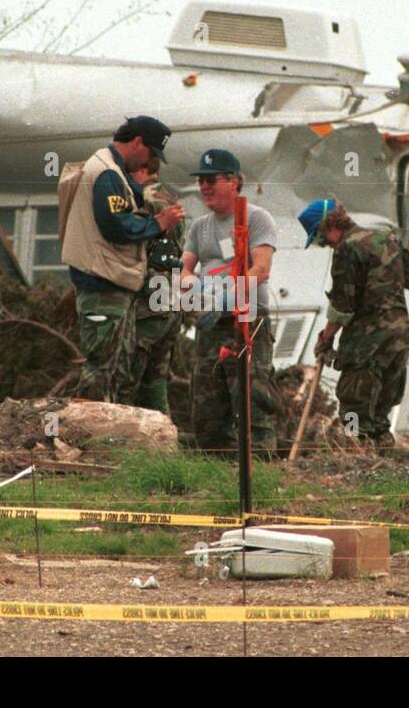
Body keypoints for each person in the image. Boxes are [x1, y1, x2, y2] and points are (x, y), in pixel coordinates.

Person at [60, 116, 184, 403]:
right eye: (151, 153)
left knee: (116, 369)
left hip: (111, 284)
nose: (148, 162)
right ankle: (93, 441)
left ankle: (108, 439)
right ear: (137, 142)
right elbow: (115, 225)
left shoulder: (112, 171)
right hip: (103, 285)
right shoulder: (107, 173)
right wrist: (158, 223)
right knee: (103, 368)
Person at [178, 149, 279, 458]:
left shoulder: (257, 218)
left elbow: (260, 269)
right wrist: (197, 291)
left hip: (246, 318)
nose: (204, 187)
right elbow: (183, 269)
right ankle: (218, 470)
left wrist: (228, 295)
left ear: (234, 181)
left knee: (251, 396)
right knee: (208, 401)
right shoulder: (199, 227)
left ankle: (260, 470)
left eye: (211, 180)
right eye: (201, 182)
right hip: (211, 322)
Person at [302, 200, 409, 449]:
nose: (326, 245)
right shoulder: (388, 237)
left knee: (355, 412)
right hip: (400, 336)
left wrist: (326, 338)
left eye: (321, 238)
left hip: (367, 343)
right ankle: (382, 473)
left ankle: (354, 466)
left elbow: (343, 306)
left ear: (330, 226)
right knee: (380, 417)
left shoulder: (347, 249)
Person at [127, 156, 186, 414]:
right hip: (171, 297)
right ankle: (162, 440)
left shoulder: (142, 198)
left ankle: (123, 440)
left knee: (130, 374)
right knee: (157, 376)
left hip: (148, 298)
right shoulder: (171, 197)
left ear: (141, 167)